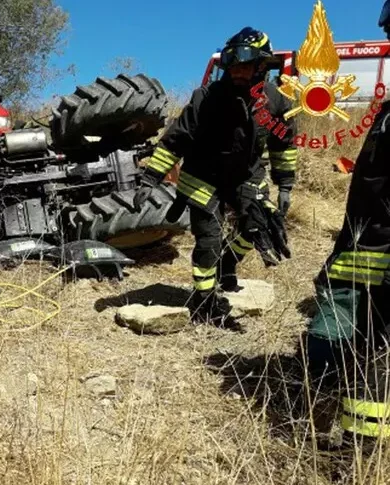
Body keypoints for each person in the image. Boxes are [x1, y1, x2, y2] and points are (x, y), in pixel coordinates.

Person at [133, 27, 296, 325]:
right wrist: (151, 177)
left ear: (261, 65)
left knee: (256, 227)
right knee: (208, 240)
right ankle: (204, 300)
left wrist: (285, 185)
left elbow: (283, 145)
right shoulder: (206, 97)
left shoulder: (276, 102)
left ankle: (227, 263)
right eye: (232, 66)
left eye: (245, 66)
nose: (237, 72)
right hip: (202, 177)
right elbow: (176, 139)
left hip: (246, 176)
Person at [303, 2, 390, 453]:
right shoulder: (388, 111)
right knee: (361, 345)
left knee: (374, 351)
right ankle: (355, 442)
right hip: (364, 246)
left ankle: (363, 452)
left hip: (379, 255)